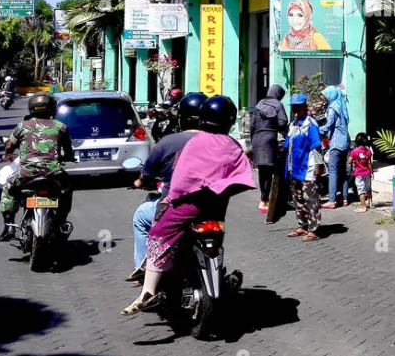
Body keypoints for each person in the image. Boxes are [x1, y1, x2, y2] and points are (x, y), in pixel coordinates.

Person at [122, 95, 255, 315]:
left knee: (157, 233)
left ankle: (148, 290)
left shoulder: (194, 143)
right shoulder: (233, 144)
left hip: (187, 207)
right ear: (230, 121)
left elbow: (183, 178)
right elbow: (242, 175)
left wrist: (170, 198)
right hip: (216, 208)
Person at [127, 91, 204, 284]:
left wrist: (138, 183)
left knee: (141, 217)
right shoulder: (220, 142)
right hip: (210, 207)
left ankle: (144, 272)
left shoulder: (168, 141)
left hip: (175, 207)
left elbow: (146, 175)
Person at [0, 93, 75, 240]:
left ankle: (9, 226)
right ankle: (61, 222)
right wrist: (69, 157)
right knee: (66, 190)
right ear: (52, 109)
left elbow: (9, 145)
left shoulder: (22, 126)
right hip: (53, 173)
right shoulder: (61, 127)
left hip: (27, 173)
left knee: (8, 188)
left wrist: (7, 155)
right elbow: (68, 150)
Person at [279, 93, 325, 241]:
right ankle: (302, 225)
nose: (295, 110)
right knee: (297, 198)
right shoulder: (293, 125)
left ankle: (313, 229)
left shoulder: (311, 125)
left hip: (308, 168)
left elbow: (316, 147)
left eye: (298, 107)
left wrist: (318, 165)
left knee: (310, 199)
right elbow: (288, 146)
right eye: (293, 107)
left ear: (304, 107)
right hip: (294, 168)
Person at [249, 84, 289, 213]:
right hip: (269, 138)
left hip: (257, 139)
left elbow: (252, 125)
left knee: (262, 171)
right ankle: (271, 200)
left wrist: (254, 140)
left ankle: (264, 199)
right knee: (273, 171)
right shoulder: (277, 105)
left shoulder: (259, 104)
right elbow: (282, 122)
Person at [319, 84, 352, 209]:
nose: (325, 99)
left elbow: (329, 125)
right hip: (345, 143)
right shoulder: (342, 106)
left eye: (326, 96)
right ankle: (344, 198)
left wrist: (317, 129)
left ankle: (332, 200)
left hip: (336, 143)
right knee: (343, 172)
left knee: (332, 172)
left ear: (331, 95)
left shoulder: (333, 108)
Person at [348, 133, 374, 213]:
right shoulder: (368, 151)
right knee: (368, 188)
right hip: (367, 172)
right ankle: (370, 204)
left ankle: (363, 206)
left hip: (359, 174)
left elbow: (349, 161)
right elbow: (370, 163)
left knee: (360, 190)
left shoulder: (354, 151)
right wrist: (372, 172)